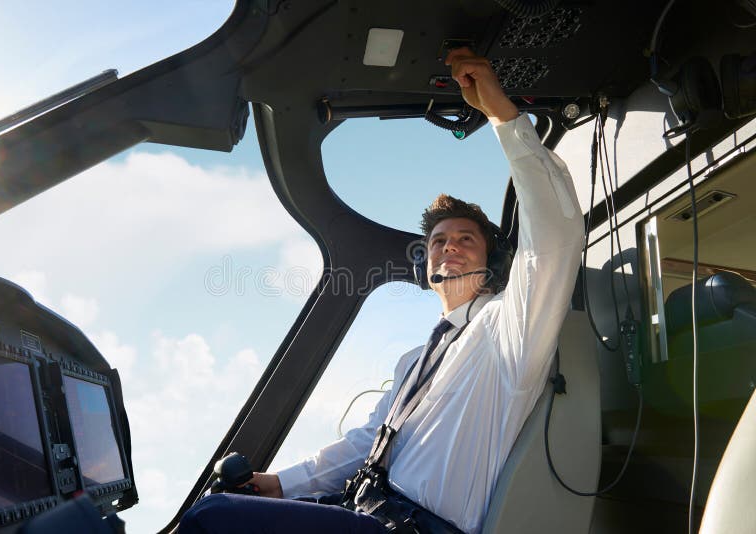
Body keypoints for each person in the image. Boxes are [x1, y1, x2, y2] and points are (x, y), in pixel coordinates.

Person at [179, 47, 584, 534]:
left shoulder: (507, 333)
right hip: (366, 511)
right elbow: (366, 442)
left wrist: (504, 118)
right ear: (425, 262)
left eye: (465, 240)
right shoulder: (415, 360)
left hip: (421, 528)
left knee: (214, 521)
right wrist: (282, 484)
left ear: (494, 261)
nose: (448, 249)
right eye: (438, 242)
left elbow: (554, 242)